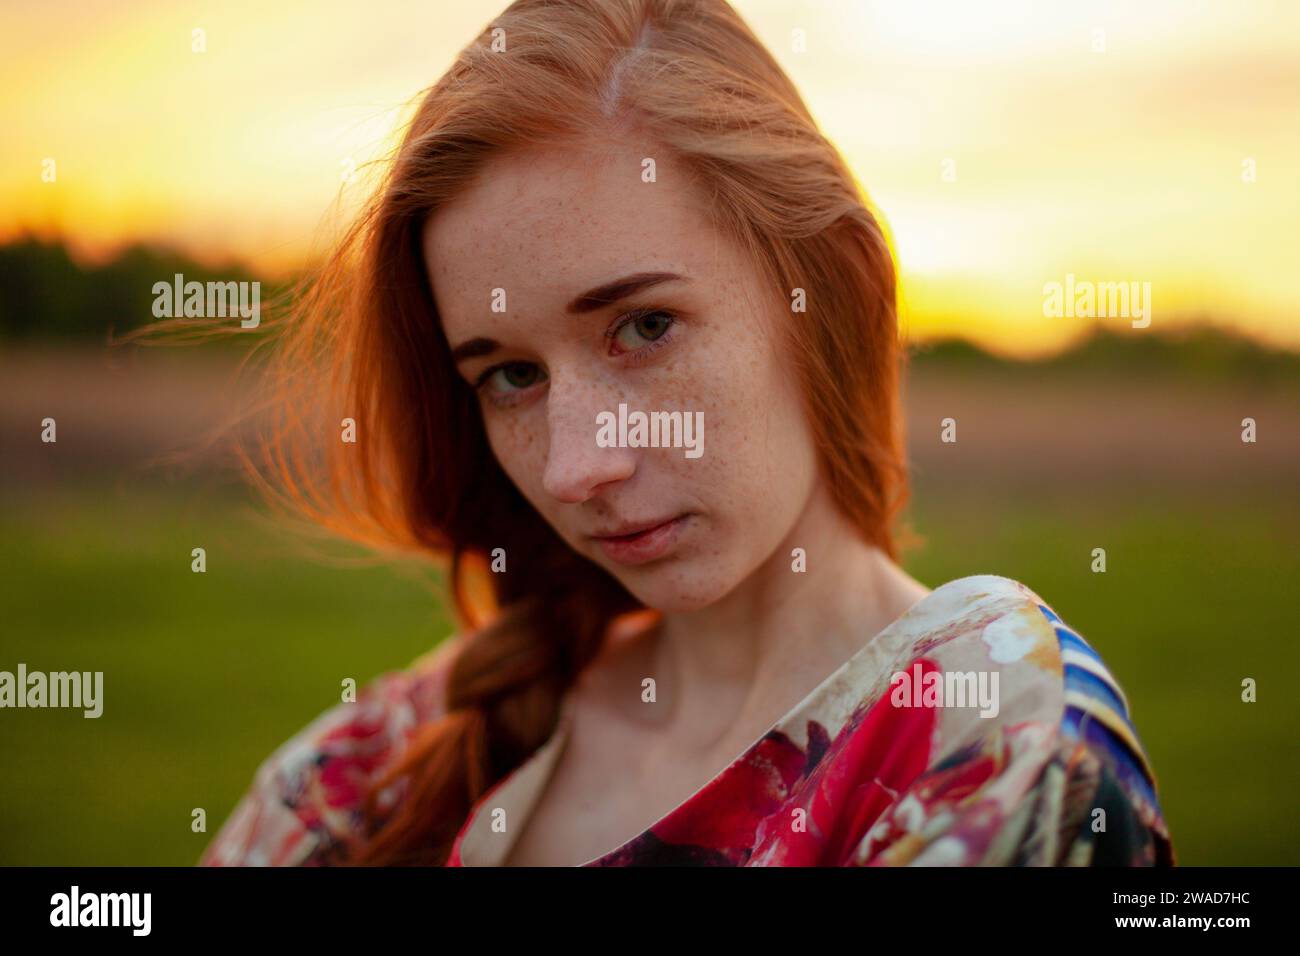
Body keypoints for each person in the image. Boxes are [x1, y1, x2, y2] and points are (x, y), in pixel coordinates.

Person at [199, 0, 1173, 867]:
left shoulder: (989, 739)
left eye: (644, 327)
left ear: (828, 291)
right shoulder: (399, 754)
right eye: (510, 374)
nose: (579, 464)